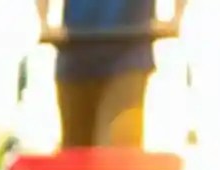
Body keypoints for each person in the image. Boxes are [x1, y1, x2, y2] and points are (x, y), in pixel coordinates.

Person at [36, 0, 187, 148]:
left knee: (118, 147)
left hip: (128, 54)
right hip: (76, 52)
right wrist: (44, 23)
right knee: (76, 149)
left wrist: (176, 19)